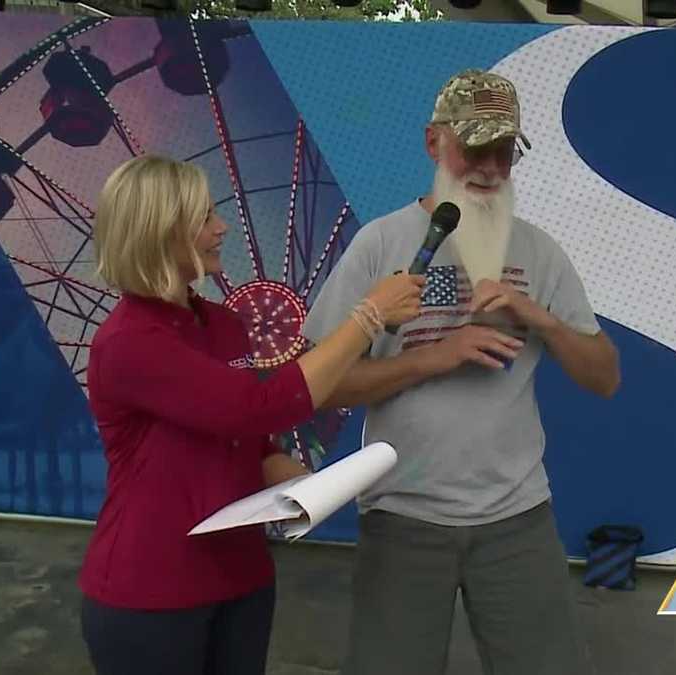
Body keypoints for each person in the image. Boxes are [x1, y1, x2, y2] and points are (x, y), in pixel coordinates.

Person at [302, 69, 620, 675]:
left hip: (518, 517)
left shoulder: (539, 251)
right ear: (433, 144)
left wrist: (539, 318)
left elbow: (605, 377)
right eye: (475, 147)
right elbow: (319, 383)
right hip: (402, 514)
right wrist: (435, 357)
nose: (490, 167)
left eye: (505, 151)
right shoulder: (380, 244)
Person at [78, 155, 424, 675]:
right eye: (202, 218)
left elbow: (248, 439)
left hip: (243, 578)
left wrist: (298, 486)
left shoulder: (222, 325)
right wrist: (367, 317)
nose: (222, 228)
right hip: (151, 590)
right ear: (157, 232)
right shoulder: (129, 344)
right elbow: (252, 408)